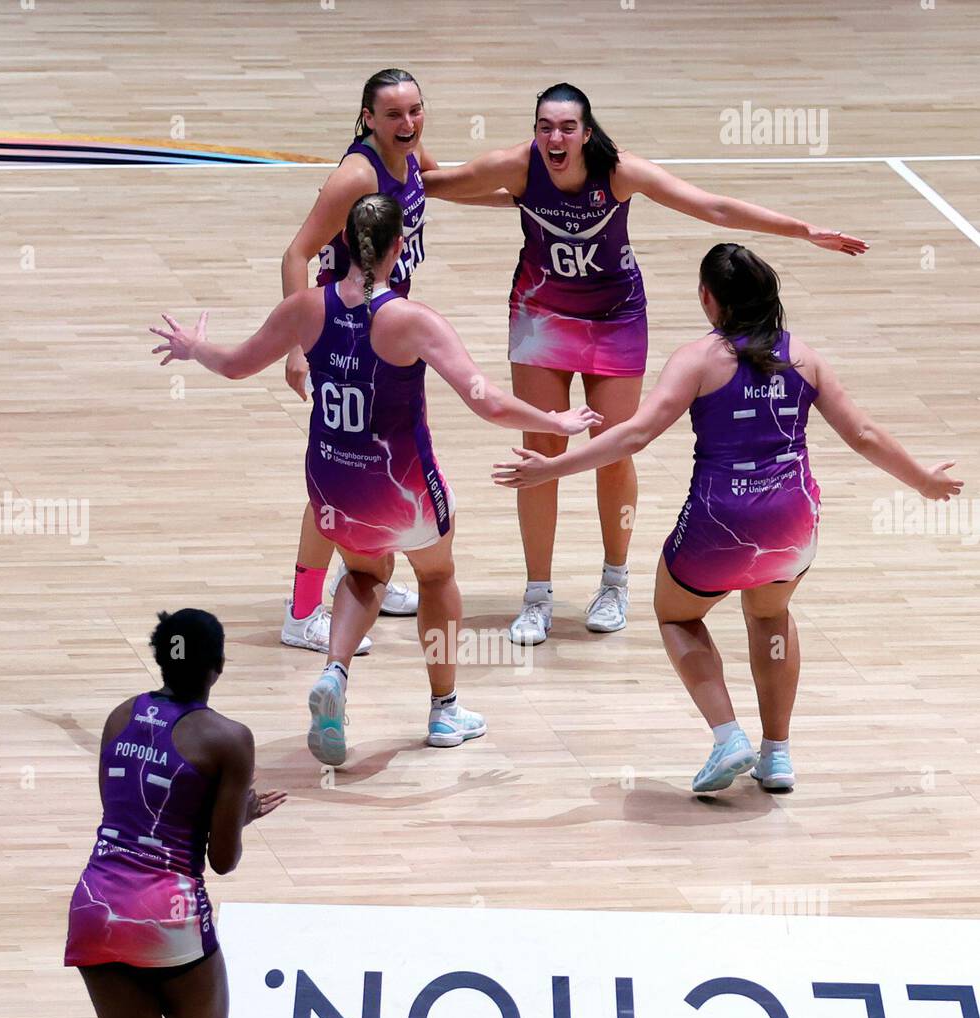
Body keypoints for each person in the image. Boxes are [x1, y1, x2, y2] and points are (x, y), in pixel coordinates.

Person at [494, 243, 962, 792]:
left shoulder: (697, 360)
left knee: (676, 616)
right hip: (792, 526)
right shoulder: (803, 357)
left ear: (708, 300)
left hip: (721, 525)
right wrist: (924, 481)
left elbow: (636, 434)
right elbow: (862, 434)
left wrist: (555, 466)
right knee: (770, 618)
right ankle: (778, 754)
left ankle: (727, 736)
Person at [150, 195, 601, 764]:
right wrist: (553, 420)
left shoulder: (305, 309)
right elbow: (484, 400)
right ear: (397, 249)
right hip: (402, 490)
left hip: (332, 485)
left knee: (365, 574)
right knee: (436, 577)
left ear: (340, 242)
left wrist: (194, 347)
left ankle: (335, 674)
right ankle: (443, 709)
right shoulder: (410, 320)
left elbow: (237, 365)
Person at [425, 83, 868, 645]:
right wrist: (392, 151)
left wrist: (802, 231)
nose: (555, 137)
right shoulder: (516, 165)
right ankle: (537, 593)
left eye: (566, 127)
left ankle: (614, 581)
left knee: (614, 451)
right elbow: (431, 185)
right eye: (545, 126)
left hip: (615, 317)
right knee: (541, 449)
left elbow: (712, 206)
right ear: (534, 130)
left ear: (587, 132)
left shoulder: (619, 171)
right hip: (541, 314)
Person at [45, 610, 285, 1018]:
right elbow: (223, 856)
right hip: (169, 914)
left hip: (94, 905)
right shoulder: (229, 739)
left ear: (160, 659)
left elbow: (122, 816)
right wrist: (237, 812)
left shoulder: (121, 716)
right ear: (217, 666)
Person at [280, 67, 512, 654]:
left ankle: (364, 568)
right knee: (339, 471)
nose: (408, 123)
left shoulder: (406, 153)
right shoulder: (356, 175)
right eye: (393, 115)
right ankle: (302, 612)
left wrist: (520, 199)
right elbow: (296, 254)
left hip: (388, 328)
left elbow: (437, 181)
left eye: (415, 110)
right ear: (367, 118)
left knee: (371, 463)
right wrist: (295, 347)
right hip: (349, 332)